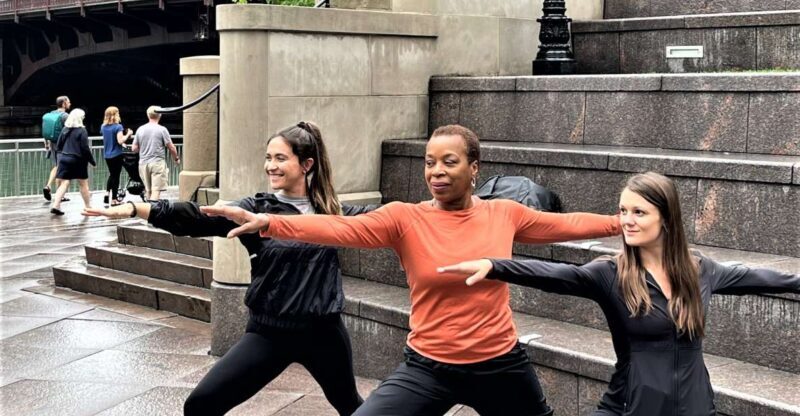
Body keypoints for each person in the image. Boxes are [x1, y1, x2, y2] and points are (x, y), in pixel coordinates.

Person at [201, 124, 622, 416]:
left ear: (474, 168)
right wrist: (270, 222)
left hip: (499, 365)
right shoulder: (405, 218)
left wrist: (623, 224)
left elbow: (567, 225)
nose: (436, 172)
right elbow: (340, 228)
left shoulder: (504, 214)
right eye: (429, 162)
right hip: (428, 366)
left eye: (449, 162)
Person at [438, 172, 800, 416]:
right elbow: (557, 275)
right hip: (632, 405)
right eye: (623, 210)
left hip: (696, 406)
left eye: (639, 212)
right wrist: (495, 265)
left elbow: (764, 278)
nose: (627, 220)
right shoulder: (610, 273)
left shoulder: (700, 269)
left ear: (665, 218)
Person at [83, 121, 375, 416]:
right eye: (268, 158)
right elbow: (197, 218)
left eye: (280, 158)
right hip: (269, 333)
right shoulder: (255, 209)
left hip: (323, 332)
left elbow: (388, 220)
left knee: (351, 406)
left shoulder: (334, 213)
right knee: (200, 405)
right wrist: (138, 209)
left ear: (306, 165)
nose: (270, 166)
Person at [50, 109, 95, 216]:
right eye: (83, 117)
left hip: (64, 158)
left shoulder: (65, 129)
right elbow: (85, 148)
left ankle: (55, 205)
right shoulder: (82, 131)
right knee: (83, 184)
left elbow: (59, 145)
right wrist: (92, 161)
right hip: (78, 160)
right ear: (80, 118)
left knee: (64, 183)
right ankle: (88, 207)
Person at [131, 106, 179, 201]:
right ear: (160, 115)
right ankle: (153, 209)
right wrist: (176, 159)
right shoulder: (162, 129)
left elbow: (134, 148)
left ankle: (149, 208)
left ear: (148, 115)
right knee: (156, 191)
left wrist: (144, 147)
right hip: (157, 163)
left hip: (143, 164)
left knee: (148, 191)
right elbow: (171, 147)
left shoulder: (140, 129)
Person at [101, 106, 133, 206]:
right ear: (115, 115)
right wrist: (128, 134)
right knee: (116, 177)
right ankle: (114, 200)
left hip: (107, 155)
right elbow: (120, 140)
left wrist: (122, 143)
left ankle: (107, 193)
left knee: (112, 174)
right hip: (117, 155)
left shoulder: (103, 127)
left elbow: (111, 139)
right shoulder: (118, 127)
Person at [42, 95, 71, 202]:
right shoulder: (65, 116)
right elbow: (71, 130)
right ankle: (60, 195)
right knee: (61, 168)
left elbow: (46, 130)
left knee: (57, 166)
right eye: (68, 102)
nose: (70, 104)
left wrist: (46, 143)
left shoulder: (51, 114)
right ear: (63, 104)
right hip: (63, 145)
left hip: (52, 144)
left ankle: (48, 186)